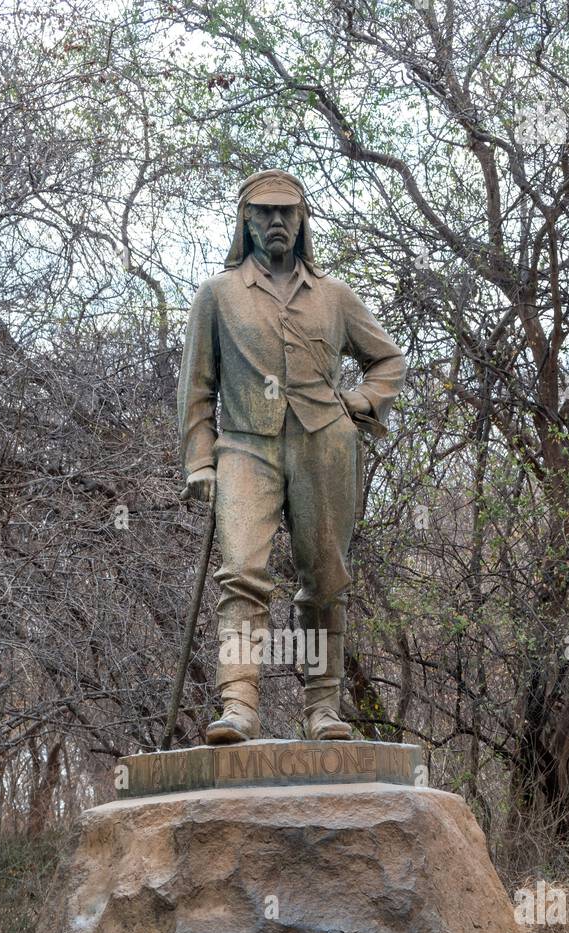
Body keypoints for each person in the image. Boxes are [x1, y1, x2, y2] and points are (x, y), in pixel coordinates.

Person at [178, 169, 406, 743]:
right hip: (245, 448)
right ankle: (239, 707)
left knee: (326, 581)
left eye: (287, 212)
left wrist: (355, 405)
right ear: (245, 221)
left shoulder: (335, 297)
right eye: (263, 212)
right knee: (242, 575)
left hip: (322, 446)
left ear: (303, 220)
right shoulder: (218, 295)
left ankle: (323, 710)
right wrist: (200, 460)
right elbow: (197, 389)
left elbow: (389, 362)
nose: (276, 222)